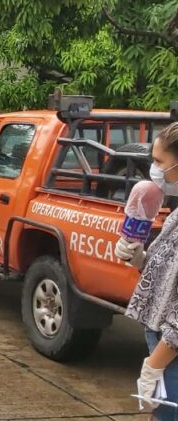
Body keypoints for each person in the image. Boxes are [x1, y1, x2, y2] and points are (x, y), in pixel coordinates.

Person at [117, 122, 178, 419]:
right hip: (161, 342)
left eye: (158, 162)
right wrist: (138, 257)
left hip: (172, 352)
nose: (153, 171)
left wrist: (155, 363)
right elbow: (167, 276)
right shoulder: (176, 213)